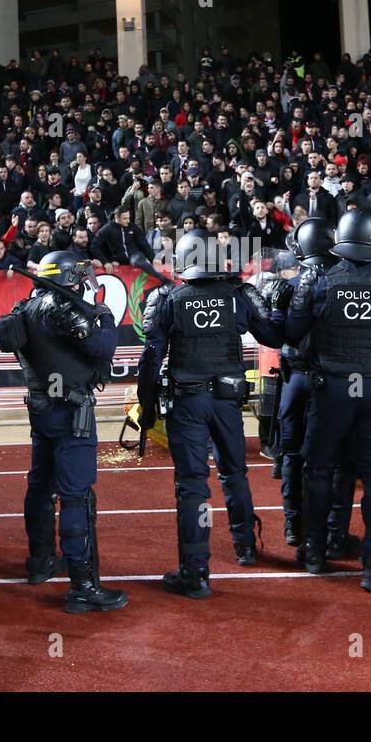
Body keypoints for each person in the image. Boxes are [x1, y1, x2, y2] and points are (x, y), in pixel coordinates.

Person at [138, 229, 285, 598]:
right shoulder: (239, 295)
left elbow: (151, 358)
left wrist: (147, 403)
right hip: (227, 401)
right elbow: (273, 335)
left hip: (188, 403)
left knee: (192, 486)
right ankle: (245, 546)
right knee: (235, 474)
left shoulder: (167, 298)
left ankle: (195, 572)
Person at [285, 209, 371, 592]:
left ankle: (314, 551)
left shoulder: (319, 280)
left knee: (320, 469)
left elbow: (293, 333)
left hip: (331, 389)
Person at [0, 250, 126, 612]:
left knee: (40, 486)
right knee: (75, 495)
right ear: (70, 279)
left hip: (42, 408)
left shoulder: (26, 307)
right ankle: (83, 586)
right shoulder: (61, 308)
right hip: (70, 410)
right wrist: (106, 318)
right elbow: (103, 346)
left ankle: (40, 561)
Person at [264, 220, 359, 558]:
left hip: (295, 379)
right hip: (334, 381)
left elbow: (277, 336)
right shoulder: (345, 281)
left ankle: (295, 526)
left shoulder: (288, 286)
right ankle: (333, 533)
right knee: (337, 459)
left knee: (292, 453)